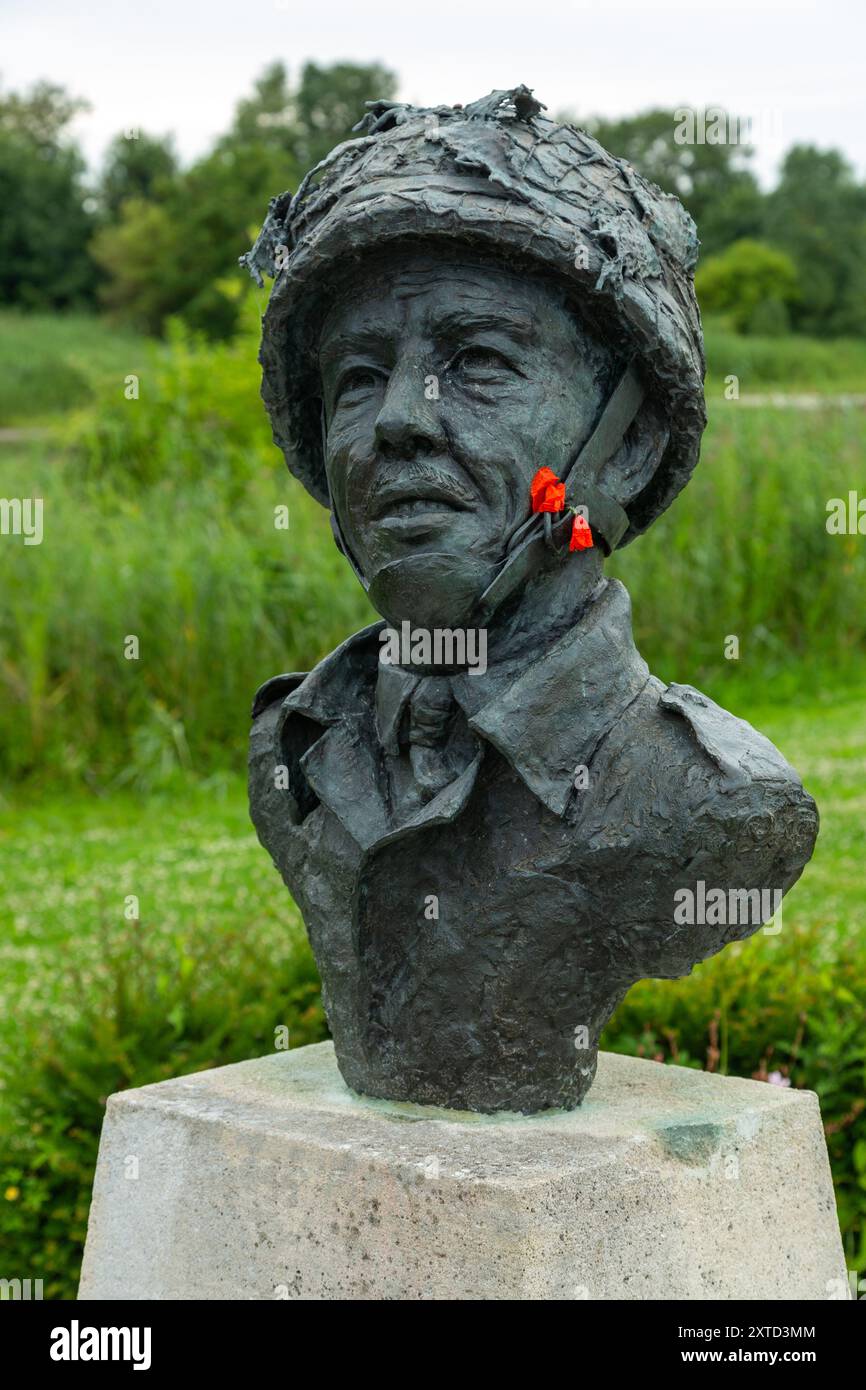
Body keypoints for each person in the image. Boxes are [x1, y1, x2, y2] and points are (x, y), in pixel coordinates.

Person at [244, 88, 818, 1113]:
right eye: (359, 376)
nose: (396, 427)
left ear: (629, 443)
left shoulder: (710, 800)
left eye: (477, 364)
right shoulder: (294, 749)